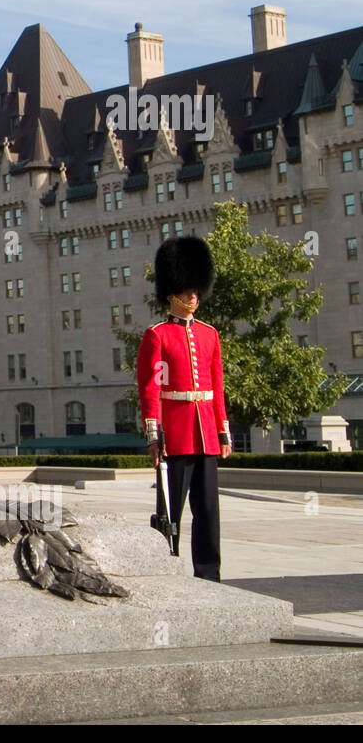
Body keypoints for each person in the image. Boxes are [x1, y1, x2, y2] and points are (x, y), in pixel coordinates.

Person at [136, 235, 231, 581]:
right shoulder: (157, 335)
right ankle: (165, 567)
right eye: (187, 289)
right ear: (172, 291)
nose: (194, 295)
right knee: (170, 510)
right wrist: (153, 433)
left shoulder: (209, 335)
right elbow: (150, 388)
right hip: (174, 434)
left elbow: (216, 388)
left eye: (196, 289)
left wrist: (222, 430)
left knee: (207, 510)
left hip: (205, 432)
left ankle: (209, 572)